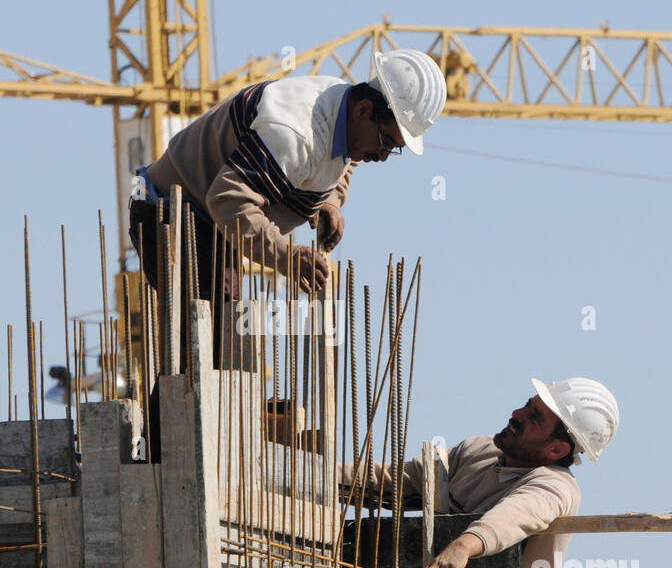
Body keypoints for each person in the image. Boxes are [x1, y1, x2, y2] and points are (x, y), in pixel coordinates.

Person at [127, 49, 447, 359]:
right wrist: (288, 256)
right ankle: (166, 413)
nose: (383, 156)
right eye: (386, 143)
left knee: (226, 342)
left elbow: (346, 159)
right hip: (169, 213)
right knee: (203, 350)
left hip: (212, 228)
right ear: (364, 110)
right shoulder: (294, 133)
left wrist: (331, 203)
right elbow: (228, 201)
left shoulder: (343, 112)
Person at [341, 377, 620, 568]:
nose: (517, 414)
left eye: (534, 417)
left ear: (557, 450)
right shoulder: (477, 450)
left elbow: (513, 517)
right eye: (528, 405)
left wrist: (463, 546)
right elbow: (395, 478)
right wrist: (315, 473)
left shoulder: (556, 486)